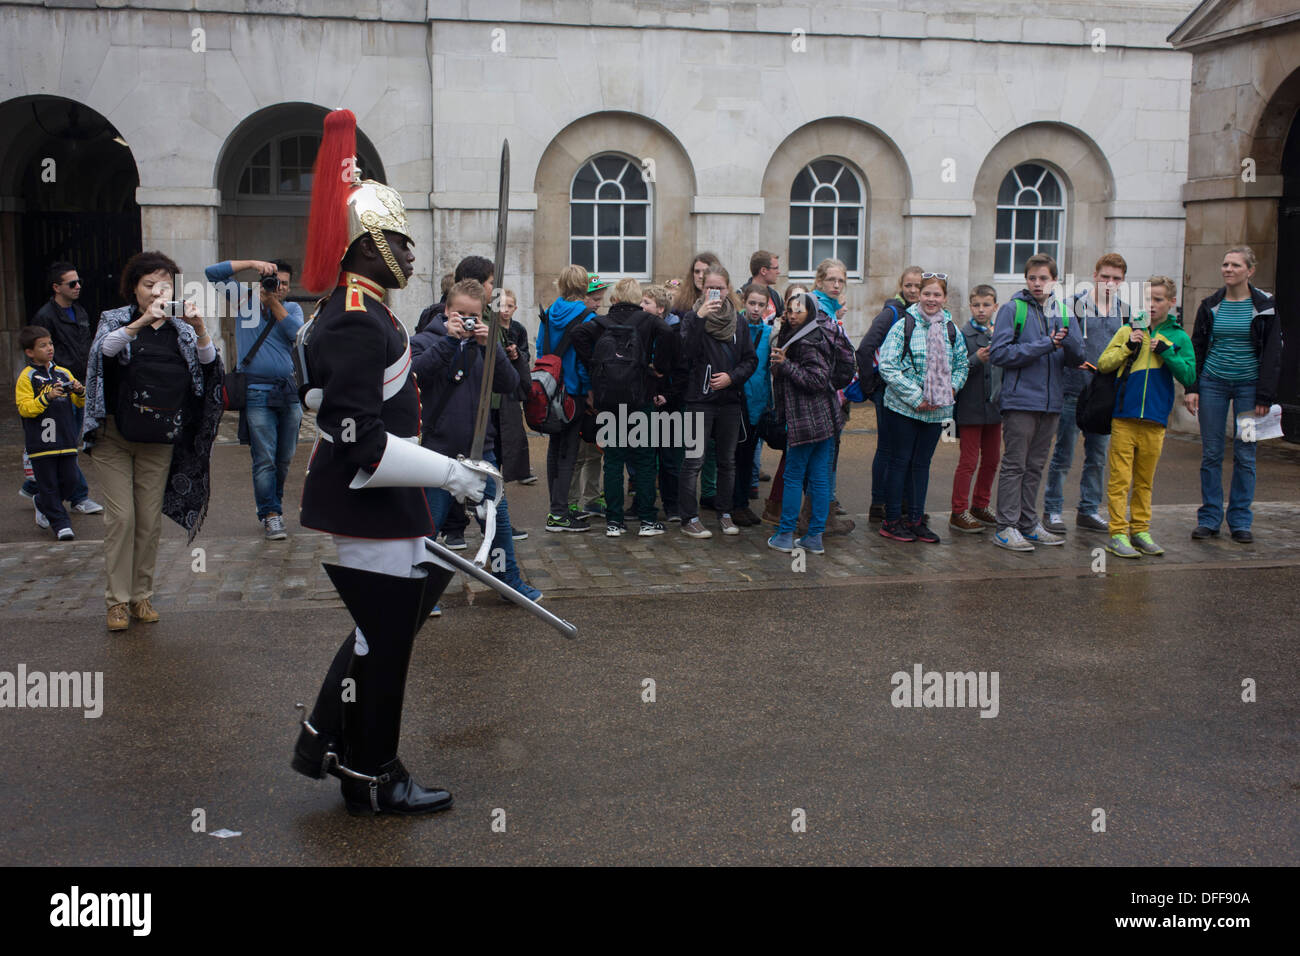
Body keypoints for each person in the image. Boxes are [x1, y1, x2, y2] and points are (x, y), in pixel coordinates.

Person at [291, 109, 491, 816]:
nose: (411, 258)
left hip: (385, 501)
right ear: (368, 246)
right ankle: (374, 774)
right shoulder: (354, 312)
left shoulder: (366, 309)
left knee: (384, 634)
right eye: (401, 245)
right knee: (384, 643)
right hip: (367, 498)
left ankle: (329, 743)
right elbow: (358, 438)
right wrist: (451, 473)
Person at [82, 250, 224, 631]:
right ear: (134, 288)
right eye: (149, 285)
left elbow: (210, 368)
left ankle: (141, 596)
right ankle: (117, 602)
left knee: (148, 521)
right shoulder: (115, 319)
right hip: (114, 435)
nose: (157, 292)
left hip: (159, 437)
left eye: (164, 285)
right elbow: (101, 354)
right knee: (122, 519)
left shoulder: (181, 329)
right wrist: (143, 321)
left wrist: (200, 328)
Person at [410, 278, 541, 601]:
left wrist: (490, 346)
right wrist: (449, 342)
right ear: (447, 310)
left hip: (482, 448)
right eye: (461, 314)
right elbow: (414, 375)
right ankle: (419, 593)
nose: (468, 321)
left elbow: (509, 385)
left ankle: (507, 581)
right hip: (439, 450)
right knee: (428, 527)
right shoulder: (425, 341)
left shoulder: (486, 345)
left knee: (498, 523)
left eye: (475, 315)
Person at [1185, 245, 1283, 544]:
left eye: (1235, 265)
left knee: (1245, 455)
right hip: (1213, 384)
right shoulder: (1210, 304)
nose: (1228, 269)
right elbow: (1197, 347)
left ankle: (1240, 520)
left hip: (1249, 388)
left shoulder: (1265, 306)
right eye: (1225, 264)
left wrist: (1264, 396)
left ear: (1249, 271)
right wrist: (1192, 387)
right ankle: (1209, 519)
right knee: (1212, 454)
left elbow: (1273, 354)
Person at [989, 254, 1085, 552]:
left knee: (1035, 466)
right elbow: (1000, 354)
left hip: (1051, 402)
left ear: (1053, 280)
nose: (1037, 283)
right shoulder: (1012, 309)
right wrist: (1046, 344)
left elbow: (1078, 357)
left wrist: (1068, 343)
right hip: (1020, 401)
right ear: (1026, 280)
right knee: (1014, 465)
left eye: (1043, 278)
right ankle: (1006, 526)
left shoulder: (1065, 313)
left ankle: (1029, 524)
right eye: (1032, 278)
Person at [204, 256, 304, 540]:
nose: (280, 287)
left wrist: (273, 302)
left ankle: (275, 507)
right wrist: (251, 263)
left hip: (288, 393)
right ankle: (271, 514)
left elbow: (294, 334)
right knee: (264, 459)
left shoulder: (292, 308)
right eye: (275, 283)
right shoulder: (243, 301)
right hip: (256, 393)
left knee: (284, 459)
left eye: (284, 284)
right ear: (262, 282)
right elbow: (212, 274)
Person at [1097, 277, 1196, 558]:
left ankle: (1140, 530)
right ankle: (1117, 533)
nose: (1152, 305)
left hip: (1155, 419)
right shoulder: (1128, 329)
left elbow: (1189, 376)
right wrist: (1129, 345)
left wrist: (1167, 353)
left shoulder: (1179, 337)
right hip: (1124, 417)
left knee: (1144, 480)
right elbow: (1104, 364)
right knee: (1119, 479)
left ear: (1171, 303)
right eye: (1148, 299)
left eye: (1159, 300)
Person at [572, 277, 673, 536]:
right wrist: (658, 369)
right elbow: (670, 335)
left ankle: (614, 522)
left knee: (613, 461)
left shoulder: (600, 322)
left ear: (614, 298)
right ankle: (648, 520)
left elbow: (577, 335)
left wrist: (594, 367)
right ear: (638, 298)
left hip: (609, 399)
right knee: (645, 460)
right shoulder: (649, 321)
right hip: (641, 398)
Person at [876, 273, 969, 543]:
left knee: (921, 465)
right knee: (899, 462)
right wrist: (918, 397)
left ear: (944, 298)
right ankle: (892, 520)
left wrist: (950, 388)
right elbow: (888, 366)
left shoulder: (952, 328)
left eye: (936, 294)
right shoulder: (904, 324)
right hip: (904, 409)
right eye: (926, 293)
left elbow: (962, 364)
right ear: (919, 296)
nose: (931, 299)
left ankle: (916, 519)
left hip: (937, 410)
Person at [1042, 253, 1130, 534]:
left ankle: (1089, 510)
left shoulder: (1126, 311)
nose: (1109, 282)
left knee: (1098, 457)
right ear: (1094, 275)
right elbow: (1059, 340)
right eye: (1105, 276)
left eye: (1116, 278)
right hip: (1073, 390)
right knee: (1063, 454)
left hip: (1104, 395)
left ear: (1123, 281)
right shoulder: (1072, 306)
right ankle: (1053, 510)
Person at [676, 264, 756, 538]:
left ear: (728, 289)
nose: (715, 293)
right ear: (702, 287)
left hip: (730, 400)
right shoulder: (691, 317)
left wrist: (732, 378)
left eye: (720, 288)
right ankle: (689, 518)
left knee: (727, 461)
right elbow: (685, 353)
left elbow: (751, 360)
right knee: (693, 461)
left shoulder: (739, 320)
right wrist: (699, 319)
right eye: (710, 287)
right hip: (700, 399)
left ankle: (724, 512)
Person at [20, 261, 101, 515]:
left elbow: (86, 345)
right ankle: (78, 496)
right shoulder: (45, 315)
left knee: (67, 442)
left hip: (78, 384)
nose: (78, 287)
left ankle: (34, 486)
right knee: (66, 444)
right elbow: (37, 352)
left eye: (79, 282)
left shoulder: (81, 312)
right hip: (58, 389)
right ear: (57, 287)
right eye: (71, 283)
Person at [766, 292, 838, 555]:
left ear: (810, 312)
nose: (793, 314)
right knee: (819, 478)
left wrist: (786, 366)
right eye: (790, 310)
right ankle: (814, 538)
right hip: (824, 418)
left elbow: (818, 379)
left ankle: (785, 534)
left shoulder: (808, 340)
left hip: (806, 419)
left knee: (795, 476)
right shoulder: (804, 333)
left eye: (799, 310)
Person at [857, 265, 923, 523]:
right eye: (909, 285)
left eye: (918, 285)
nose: (914, 290)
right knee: (887, 447)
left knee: (905, 449)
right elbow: (864, 350)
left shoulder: (923, 315)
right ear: (901, 286)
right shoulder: (891, 314)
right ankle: (878, 503)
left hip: (910, 392)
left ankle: (904, 503)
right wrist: (871, 387)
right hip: (886, 390)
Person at [538, 264, 597, 531]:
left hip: (550, 389)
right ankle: (560, 514)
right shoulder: (586, 316)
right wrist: (589, 390)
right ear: (584, 286)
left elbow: (541, 349)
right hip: (573, 392)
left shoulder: (549, 313)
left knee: (554, 450)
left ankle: (556, 509)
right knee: (568, 453)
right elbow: (586, 360)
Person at [15, 325, 86, 540]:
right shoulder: (27, 377)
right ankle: (61, 524)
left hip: (66, 440)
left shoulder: (63, 372)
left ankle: (41, 503)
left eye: (50, 343)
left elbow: (79, 401)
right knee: (48, 485)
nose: (49, 348)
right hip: (41, 444)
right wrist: (47, 397)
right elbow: (25, 409)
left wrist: (80, 391)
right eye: (43, 345)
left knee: (70, 481)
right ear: (30, 352)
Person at [949, 284, 1001, 533]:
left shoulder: (1001, 333)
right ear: (970, 306)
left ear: (995, 307)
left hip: (994, 408)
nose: (981, 310)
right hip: (970, 408)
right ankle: (958, 510)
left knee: (992, 460)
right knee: (968, 461)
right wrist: (975, 360)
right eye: (977, 305)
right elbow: (954, 368)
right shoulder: (962, 334)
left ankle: (980, 505)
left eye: (986, 305)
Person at [809, 258, 855, 536]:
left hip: (835, 393)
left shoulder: (832, 309)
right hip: (821, 393)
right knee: (822, 458)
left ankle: (823, 512)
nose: (836, 285)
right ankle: (819, 518)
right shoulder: (817, 307)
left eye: (840, 281)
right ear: (820, 281)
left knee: (828, 457)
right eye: (831, 280)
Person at [640, 283, 683, 521]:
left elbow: (681, 370)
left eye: (646, 302)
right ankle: (643, 504)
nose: (641, 306)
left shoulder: (675, 332)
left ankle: (672, 505)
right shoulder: (640, 330)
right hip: (646, 400)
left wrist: (667, 394)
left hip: (669, 403)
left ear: (660, 308)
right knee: (645, 458)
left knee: (669, 459)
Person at [731, 283, 772, 526]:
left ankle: (742, 502)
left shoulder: (769, 332)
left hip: (759, 400)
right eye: (752, 303)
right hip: (737, 399)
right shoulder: (736, 328)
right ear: (744, 302)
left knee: (748, 455)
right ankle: (734, 504)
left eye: (761, 305)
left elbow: (767, 369)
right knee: (735, 454)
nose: (756, 309)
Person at [570, 272, 608, 516]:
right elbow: (586, 362)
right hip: (582, 392)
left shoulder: (590, 320)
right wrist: (590, 390)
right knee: (579, 454)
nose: (598, 304)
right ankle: (573, 500)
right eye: (594, 298)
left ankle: (592, 497)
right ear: (583, 297)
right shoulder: (585, 322)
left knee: (594, 450)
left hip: (585, 391)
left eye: (600, 298)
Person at [497, 288, 537, 489]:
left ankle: (521, 470)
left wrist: (516, 355)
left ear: (515, 308)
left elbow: (526, 354)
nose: (505, 310)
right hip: (499, 381)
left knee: (517, 428)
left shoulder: (519, 329)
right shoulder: (493, 328)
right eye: (502, 305)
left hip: (513, 381)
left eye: (509, 306)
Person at [746, 250, 784, 321]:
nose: (778, 272)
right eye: (775, 268)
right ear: (763, 271)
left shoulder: (776, 296)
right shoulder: (741, 294)